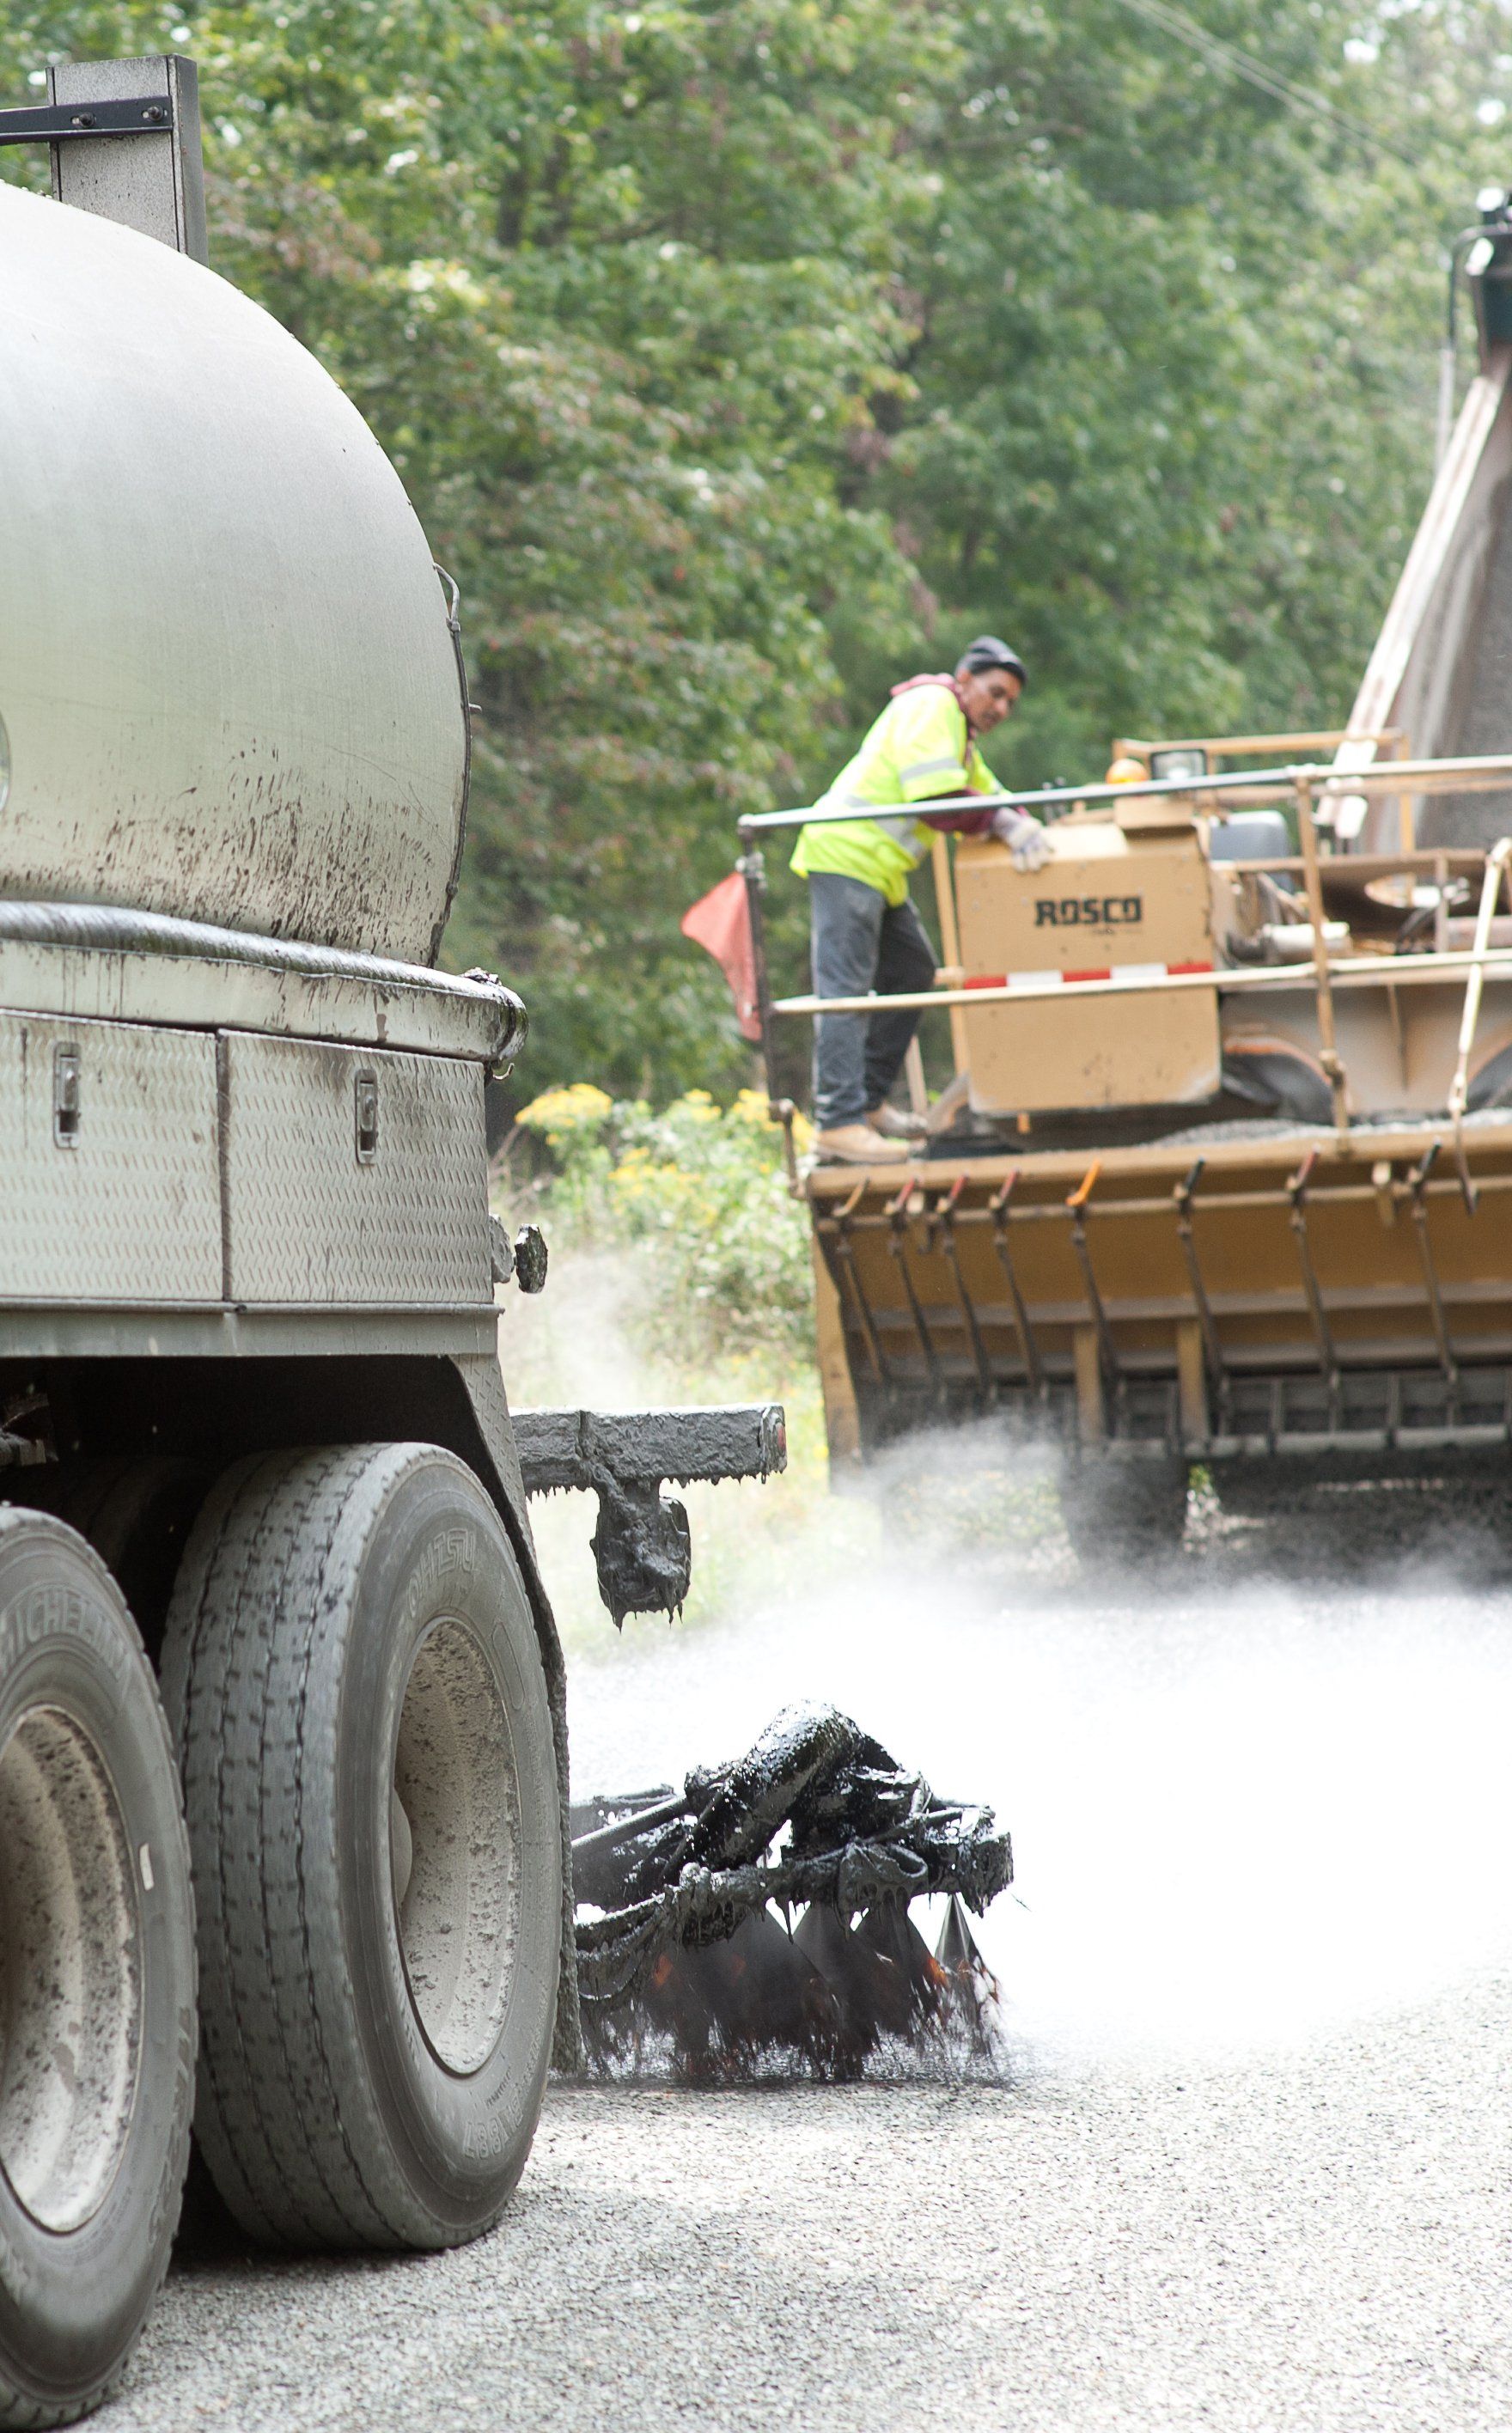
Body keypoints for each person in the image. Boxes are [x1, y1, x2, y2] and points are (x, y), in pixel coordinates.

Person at [790, 635, 1050, 1162]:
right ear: (965, 680)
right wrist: (1001, 821)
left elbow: (992, 796)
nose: (1000, 708)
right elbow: (938, 801)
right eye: (995, 693)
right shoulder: (931, 705)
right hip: (846, 855)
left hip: (878, 871)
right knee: (844, 993)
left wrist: (1030, 825)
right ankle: (837, 1122)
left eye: (1010, 703)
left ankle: (865, 1100)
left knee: (912, 971)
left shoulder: (961, 741)